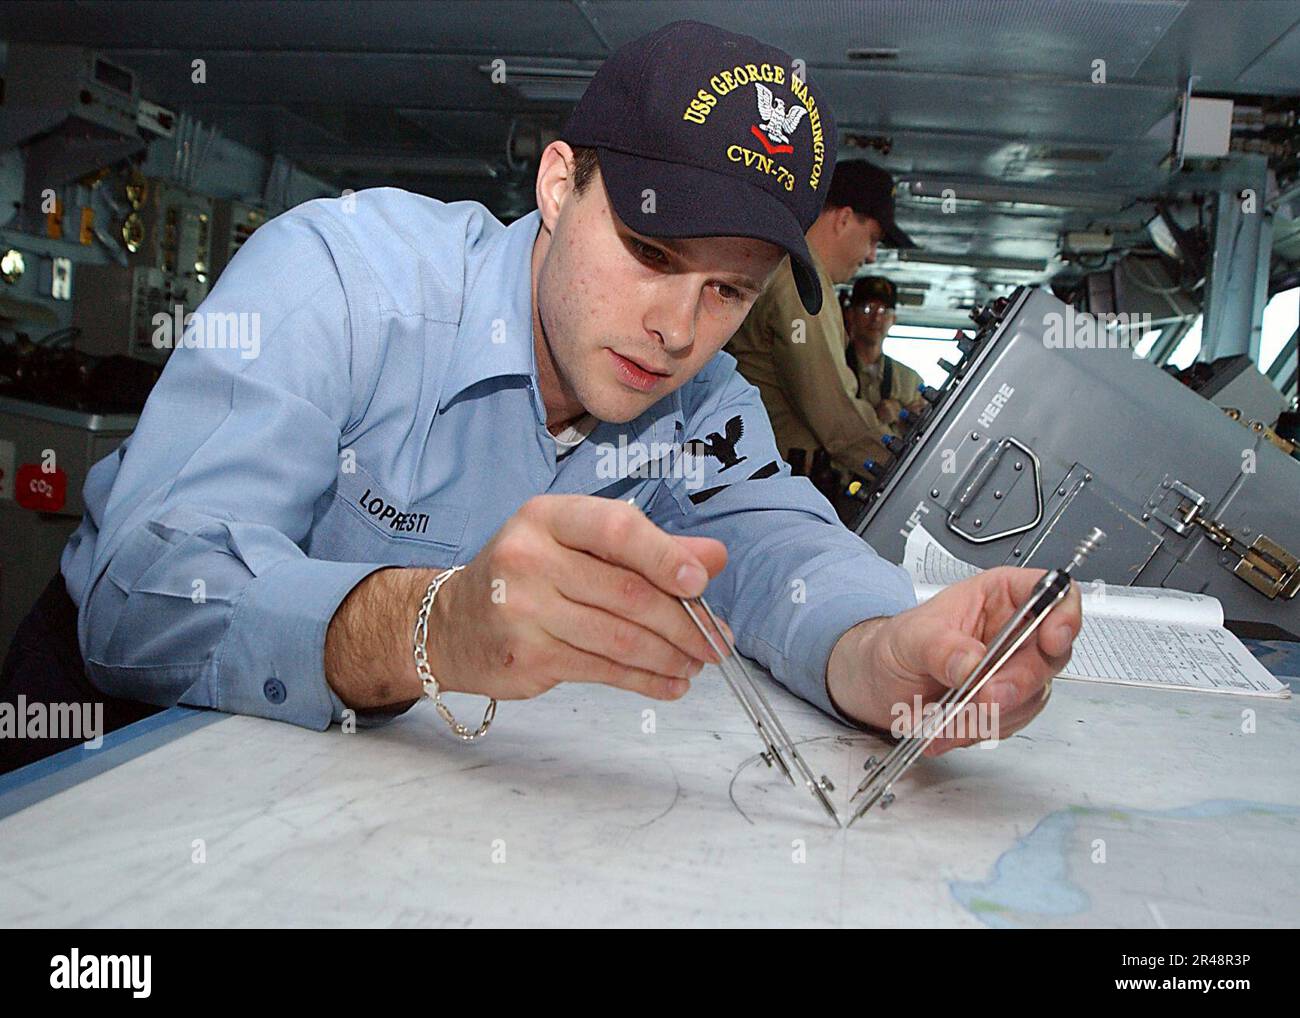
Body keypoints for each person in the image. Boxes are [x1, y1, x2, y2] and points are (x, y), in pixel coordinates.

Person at [1, 20, 1078, 775]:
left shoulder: (703, 406)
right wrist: (430, 623)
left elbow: (784, 555)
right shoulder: (339, 278)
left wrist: (884, 653)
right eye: (651, 251)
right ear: (558, 185)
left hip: (362, 780)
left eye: (727, 291)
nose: (675, 329)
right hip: (104, 742)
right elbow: (145, 593)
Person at [727, 159, 917, 487]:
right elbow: (835, 418)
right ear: (844, 219)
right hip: (766, 483)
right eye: (872, 238)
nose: (872, 256)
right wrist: (909, 474)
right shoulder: (801, 283)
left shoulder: (797, 273)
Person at [841, 275, 928, 429]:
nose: (876, 318)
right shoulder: (835, 369)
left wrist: (904, 417)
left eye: (883, 310)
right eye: (868, 309)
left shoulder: (910, 380)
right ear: (850, 314)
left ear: (893, 319)